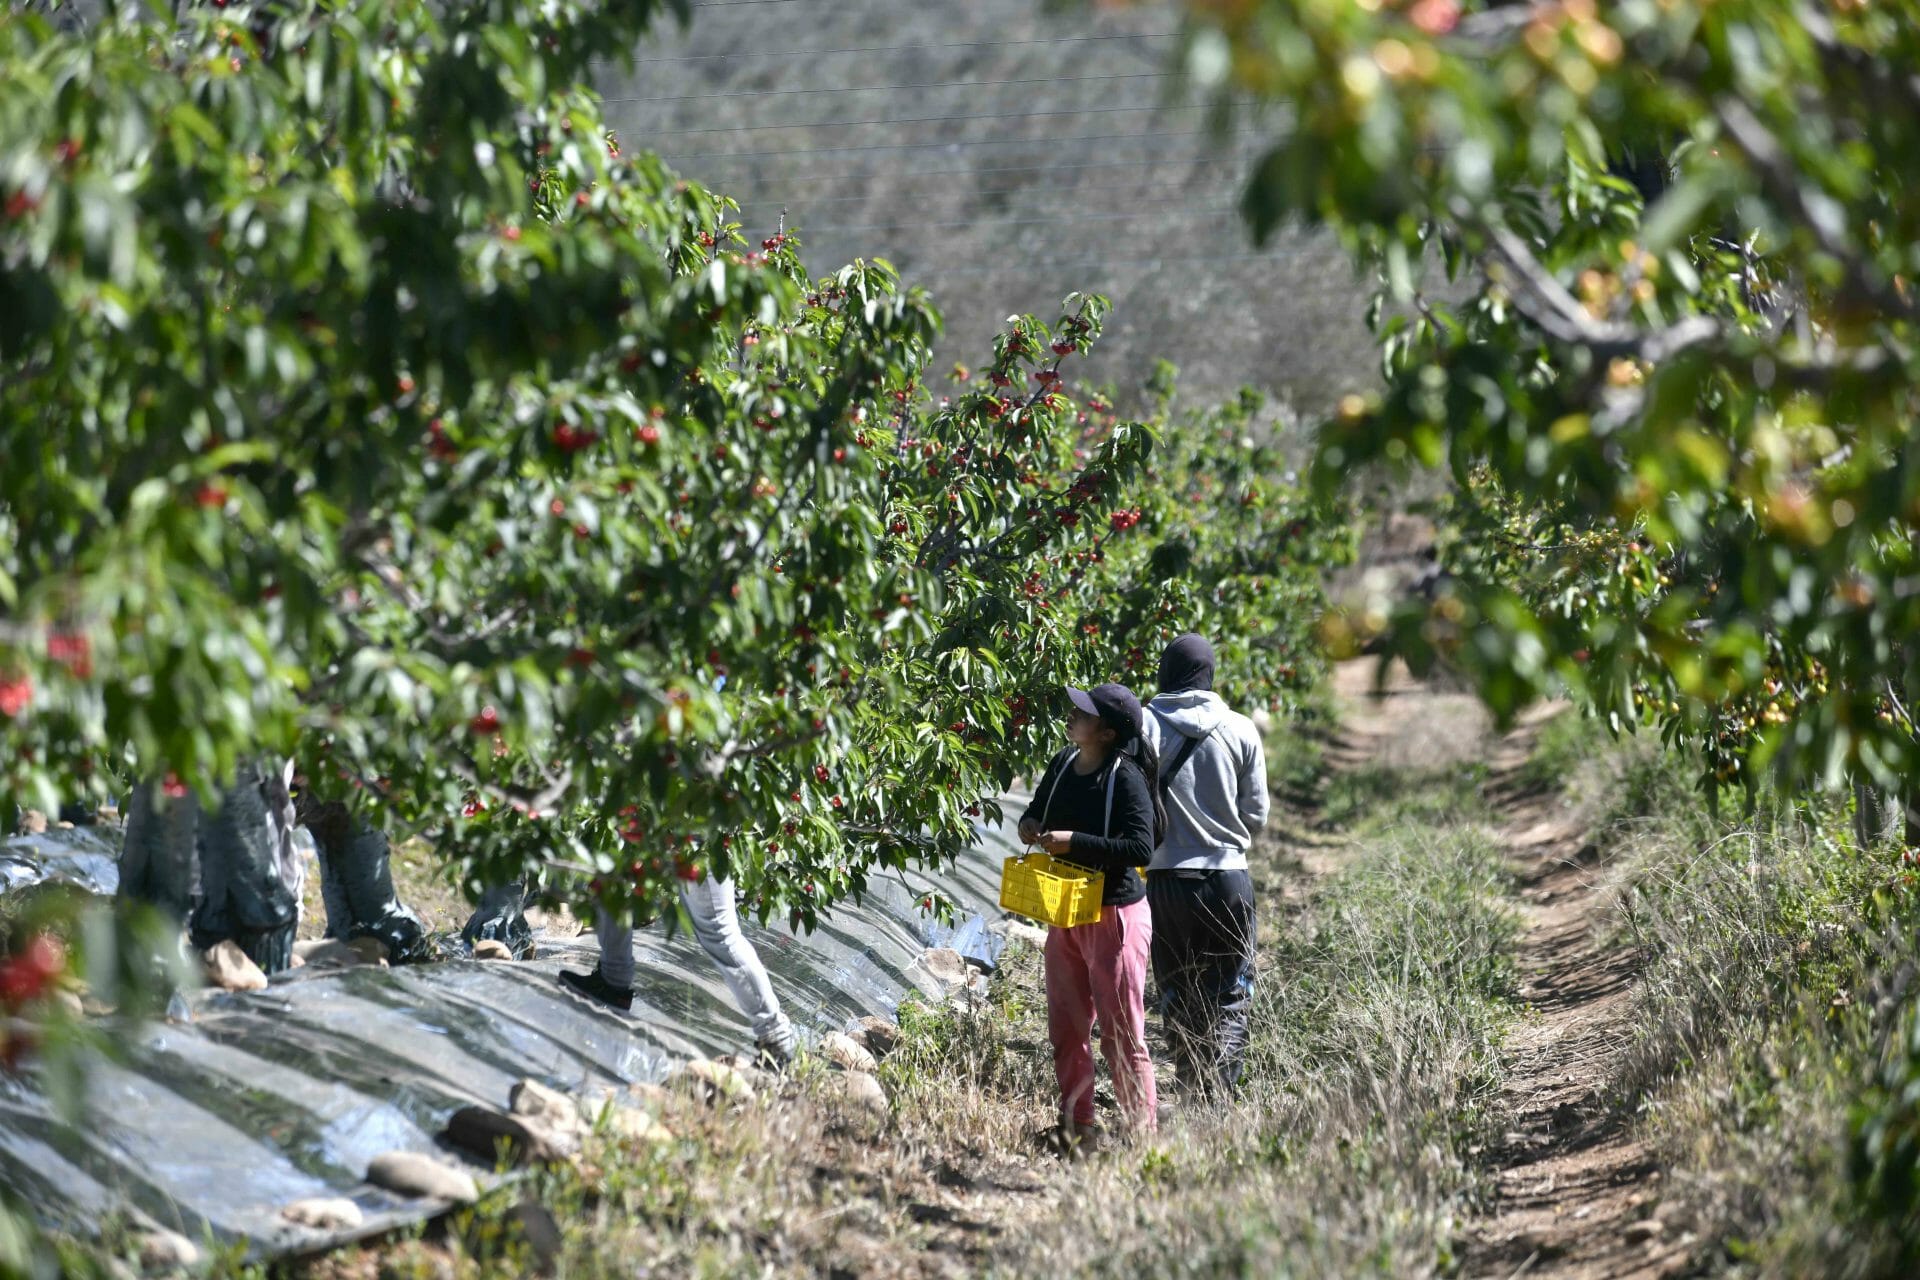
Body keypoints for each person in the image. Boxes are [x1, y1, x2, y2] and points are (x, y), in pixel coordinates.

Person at [1017, 682, 1162, 1144]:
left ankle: (1141, 1136)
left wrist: (1075, 842)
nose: (1072, 716)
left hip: (1115, 916)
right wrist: (1030, 826)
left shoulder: (1125, 778)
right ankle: (1077, 1128)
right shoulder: (1062, 763)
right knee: (1067, 1026)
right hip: (1066, 908)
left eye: (1084, 713)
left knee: (1121, 1035)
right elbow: (1037, 809)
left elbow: (1142, 846)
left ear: (1107, 733)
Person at [1141, 633, 1270, 1097]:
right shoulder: (1240, 728)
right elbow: (1256, 815)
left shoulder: (1143, 726)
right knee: (1230, 992)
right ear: (1209, 673)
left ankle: (1191, 1082)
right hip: (1227, 880)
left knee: (1177, 990)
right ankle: (1220, 1094)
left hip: (1164, 882)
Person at [559, 874, 799, 1069]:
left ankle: (777, 1039)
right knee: (608, 877)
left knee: (717, 927)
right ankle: (612, 983)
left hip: (698, 824)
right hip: (655, 818)